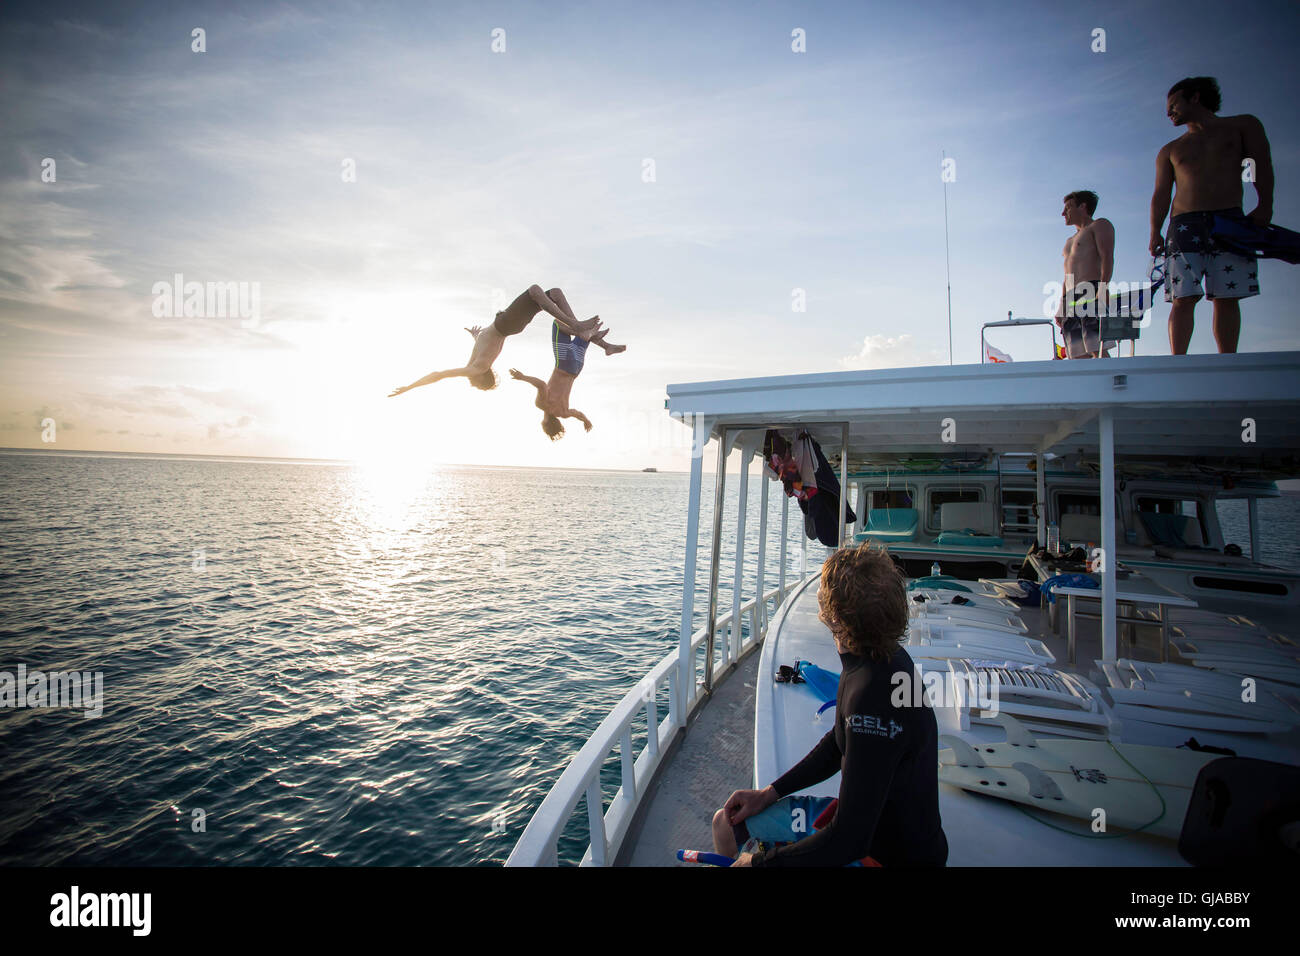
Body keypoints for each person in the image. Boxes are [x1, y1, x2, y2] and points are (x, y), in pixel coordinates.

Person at [711, 543, 948, 867]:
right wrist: (770, 792)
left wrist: (758, 865)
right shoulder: (886, 658)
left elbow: (847, 840)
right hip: (895, 838)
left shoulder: (869, 694)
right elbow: (840, 742)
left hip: (885, 857)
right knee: (728, 822)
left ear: (833, 615)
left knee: (732, 833)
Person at [1149, 77, 1273, 354]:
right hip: (1184, 225)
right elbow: (1160, 195)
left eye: (1173, 105)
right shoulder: (1170, 150)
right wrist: (1154, 231)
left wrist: (1266, 205)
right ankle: (1177, 360)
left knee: (1227, 297)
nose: (1169, 112)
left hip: (1229, 220)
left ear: (1194, 97)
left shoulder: (1242, 126)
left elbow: (1261, 165)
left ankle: (1227, 359)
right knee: (1183, 296)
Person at [388, 286, 602, 397]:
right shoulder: (476, 368)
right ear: (480, 378)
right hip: (507, 324)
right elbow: (438, 375)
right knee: (536, 291)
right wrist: (410, 387)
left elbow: (483, 343)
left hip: (509, 325)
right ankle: (578, 326)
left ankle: (589, 334)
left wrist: (474, 335)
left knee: (553, 293)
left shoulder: (476, 363)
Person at [508, 294, 625, 440]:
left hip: (576, 368)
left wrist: (587, 421)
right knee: (558, 323)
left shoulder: (564, 413)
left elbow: (579, 414)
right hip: (564, 363)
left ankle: (603, 343)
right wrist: (522, 377)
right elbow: (541, 385)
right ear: (545, 423)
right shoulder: (542, 405)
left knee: (579, 332)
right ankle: (591, 335)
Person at [1056, 190, 1116, 358]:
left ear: (1083, 206)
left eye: (1068, 208)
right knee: (1076, 353)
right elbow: (1067, 274)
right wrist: (1062, 304)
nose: (1063, 213)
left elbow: (1107, 257)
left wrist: (1103, 287)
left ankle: (1109, 380)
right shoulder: (1069, 241)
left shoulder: (1099, 225)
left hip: (1091, 289)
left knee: (1096, 346)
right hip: (1070, 297)